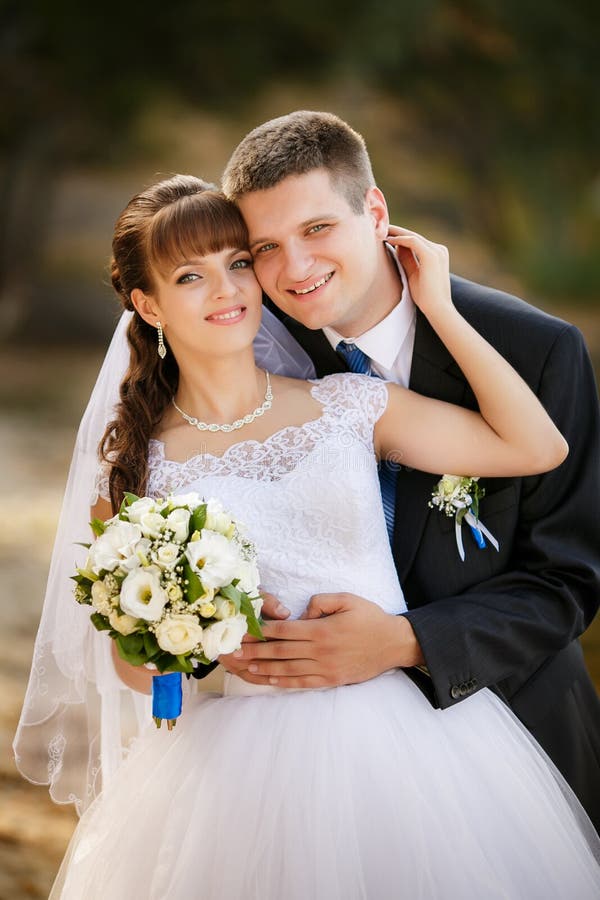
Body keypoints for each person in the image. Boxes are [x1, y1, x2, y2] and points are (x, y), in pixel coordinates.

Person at [17, 174, 600, 898]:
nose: (227, 291)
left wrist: (439, 309)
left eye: (237, 263)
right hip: (235, 768)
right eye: (191, 276)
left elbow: (535, 448)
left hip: (412, 740)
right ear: (147, 304)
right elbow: (140, 673)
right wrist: (212, 644)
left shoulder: (348, 406)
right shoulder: (137, 472)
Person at [219, 110, 600, 830]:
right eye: (264, 246)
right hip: (321, 765)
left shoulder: (537, 352)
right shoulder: (262, 359)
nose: (294, 268)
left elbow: (568, 581)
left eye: (317, 229)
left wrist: (405, 641)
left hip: (516, 732)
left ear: (376, 211)